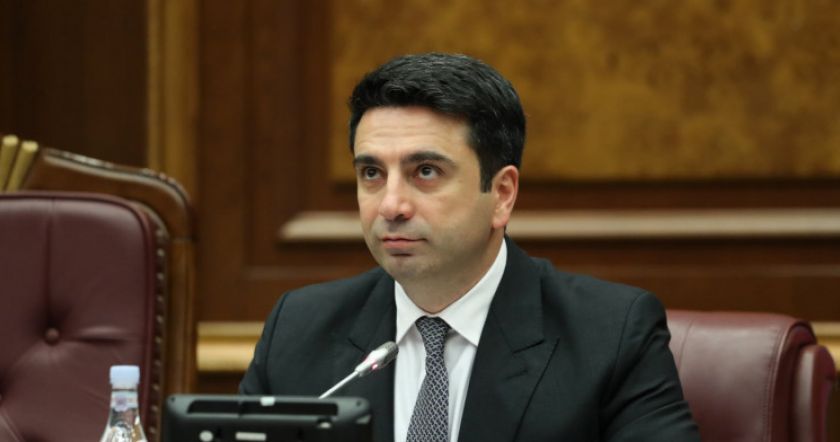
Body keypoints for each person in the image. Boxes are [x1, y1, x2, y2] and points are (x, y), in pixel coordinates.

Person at [240, 53, 700, 442]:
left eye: (425, 172)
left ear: (501, 194)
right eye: (372, 174)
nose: (391, 205)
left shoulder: (611, 336)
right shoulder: (298, 331)